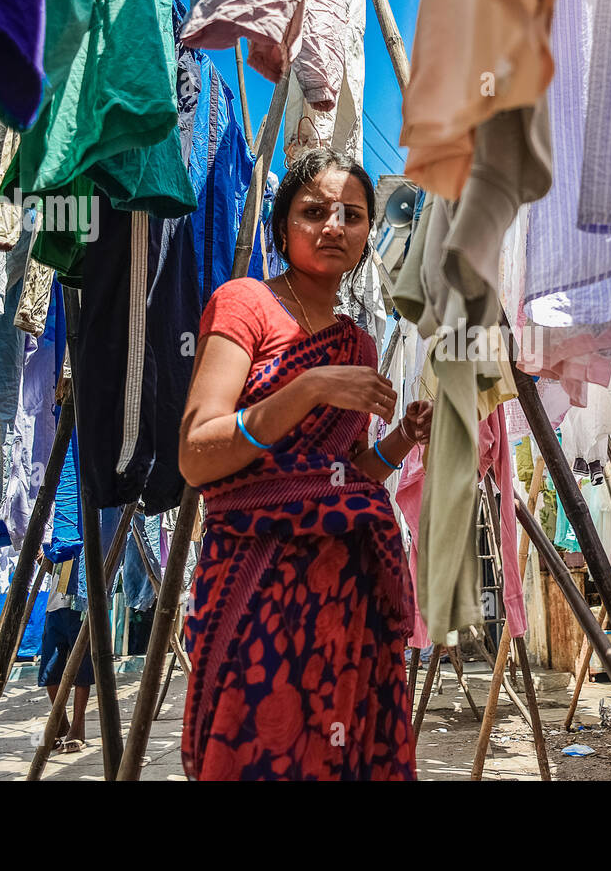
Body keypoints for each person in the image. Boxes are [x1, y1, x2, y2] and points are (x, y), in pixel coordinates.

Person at [178, 149, 431, 781]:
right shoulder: (246, 303)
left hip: (346, 591)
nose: (334, 227)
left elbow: (341, 476)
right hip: (255, 573)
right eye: (314, 211)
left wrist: (400, 440)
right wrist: (309, 388)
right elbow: (195, 453)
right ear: (282, 223)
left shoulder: (359, 343)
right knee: (254, 747)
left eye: (353, 215)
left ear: (371, 230)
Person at [37, 547, 92, 755]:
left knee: (82, 670)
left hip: (81, 606)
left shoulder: (85, 528)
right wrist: (43, 559)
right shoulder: (58, 529)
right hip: (55, 606)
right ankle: (61, 721)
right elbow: (57, 570)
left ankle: (78, 726)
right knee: (49, 671)